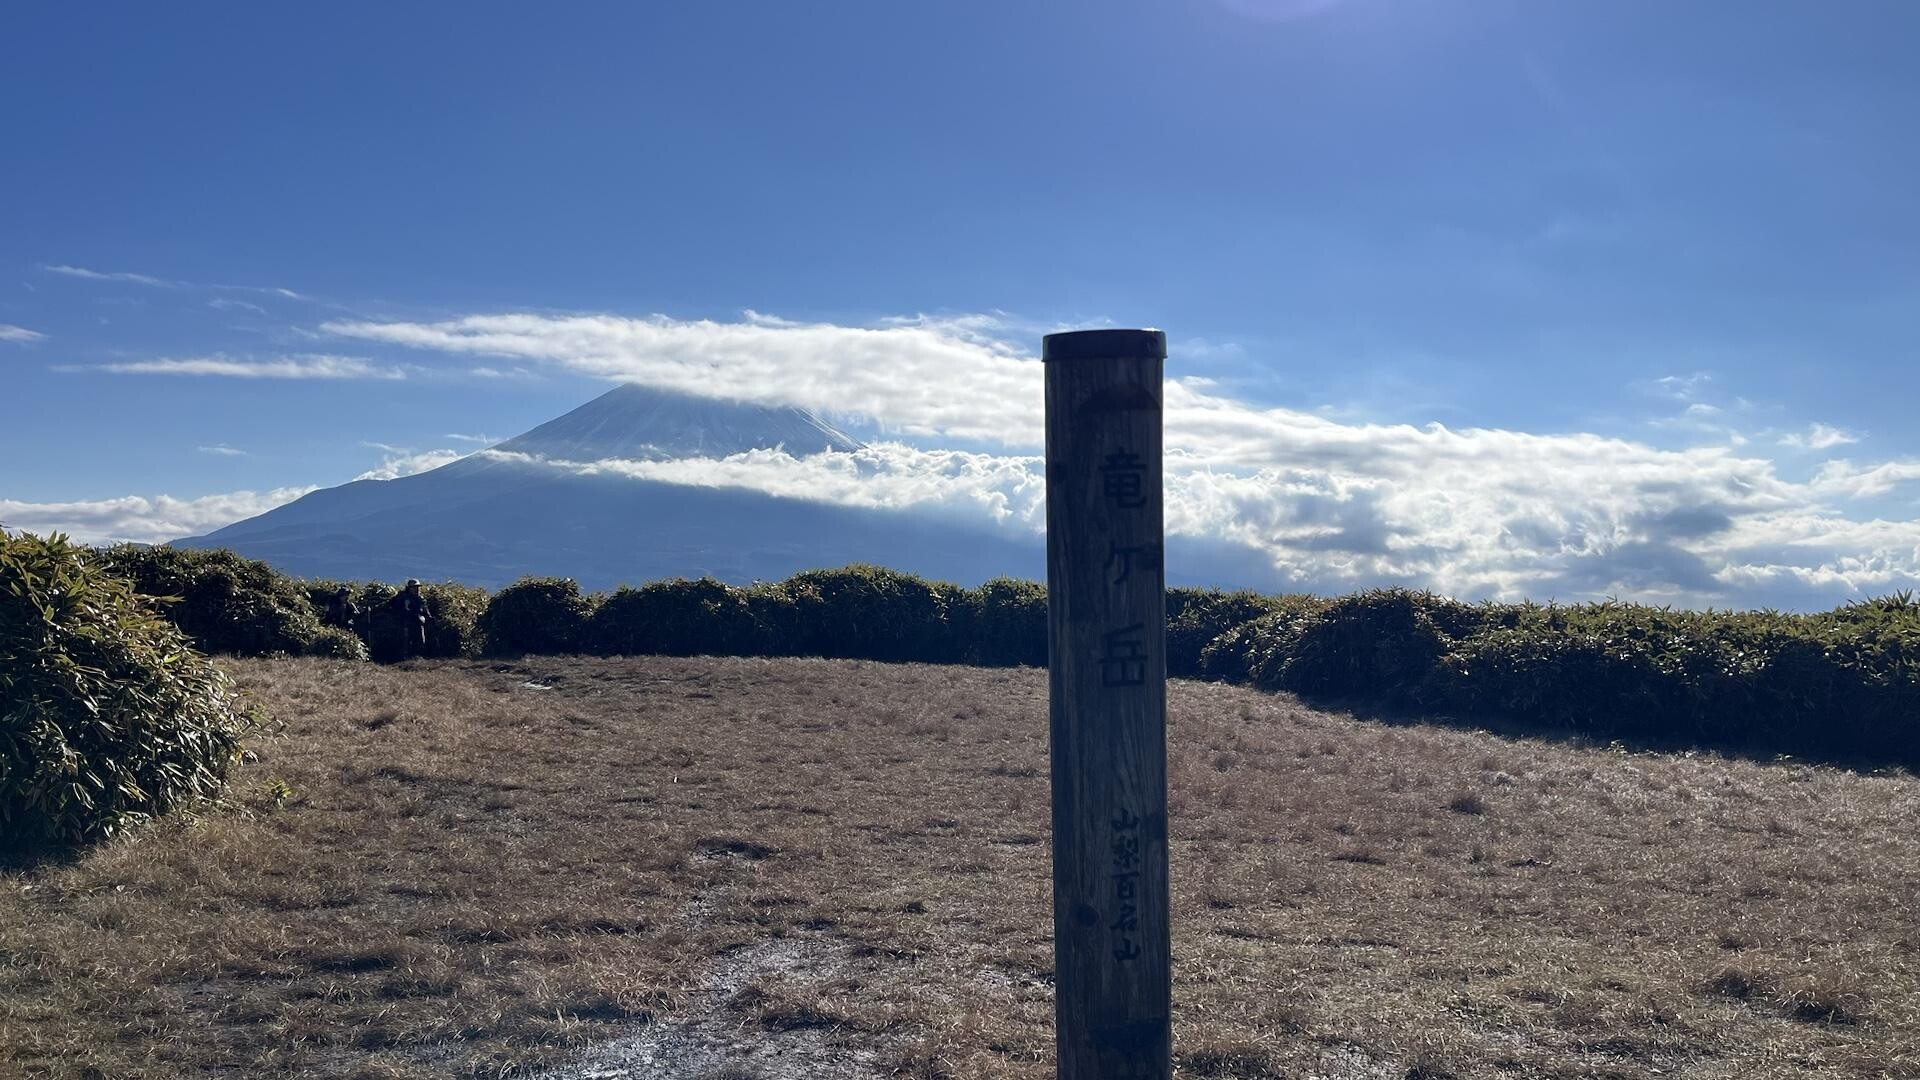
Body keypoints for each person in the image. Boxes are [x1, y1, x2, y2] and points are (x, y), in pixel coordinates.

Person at [378, 579, 431, 659]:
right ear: (409, 588)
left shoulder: (420, 599)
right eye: (414, 587)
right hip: (404, 622)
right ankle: (404, 658)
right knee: (405, 641)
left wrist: (428, 617)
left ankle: (417, 657)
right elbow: (393, 606)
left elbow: (425, 610)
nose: (416, 589)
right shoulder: (402, 597)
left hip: (418, 623)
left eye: (417, 587)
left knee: (420, 641)